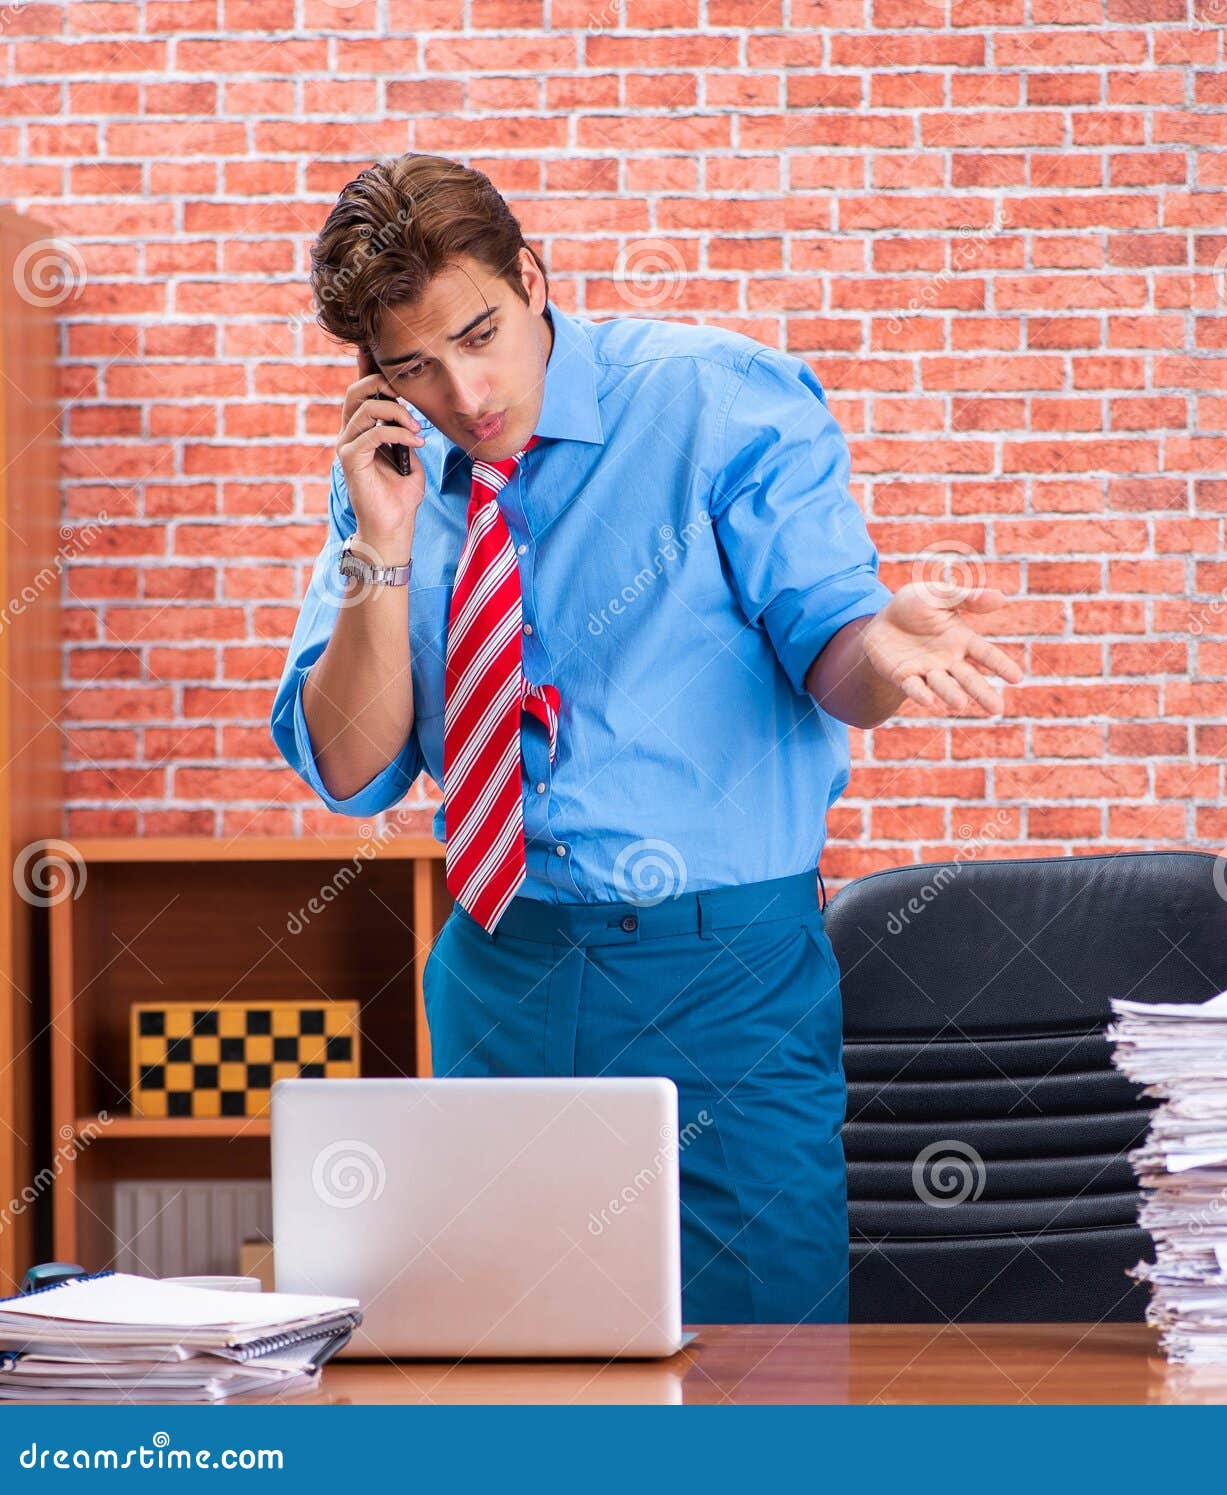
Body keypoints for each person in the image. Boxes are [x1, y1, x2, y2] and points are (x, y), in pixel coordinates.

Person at [270, 152, 1022, 1325]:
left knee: (760, 1379)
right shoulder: (396, 475)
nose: (464, 395)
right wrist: (381, 542)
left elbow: (833, 652)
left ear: (530, 275)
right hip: (499, 969)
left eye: (480, 334)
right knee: (506, 1362)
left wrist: (886, 646)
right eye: (413, 366)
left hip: (718, 977)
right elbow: (357, 766)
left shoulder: (718, 402)